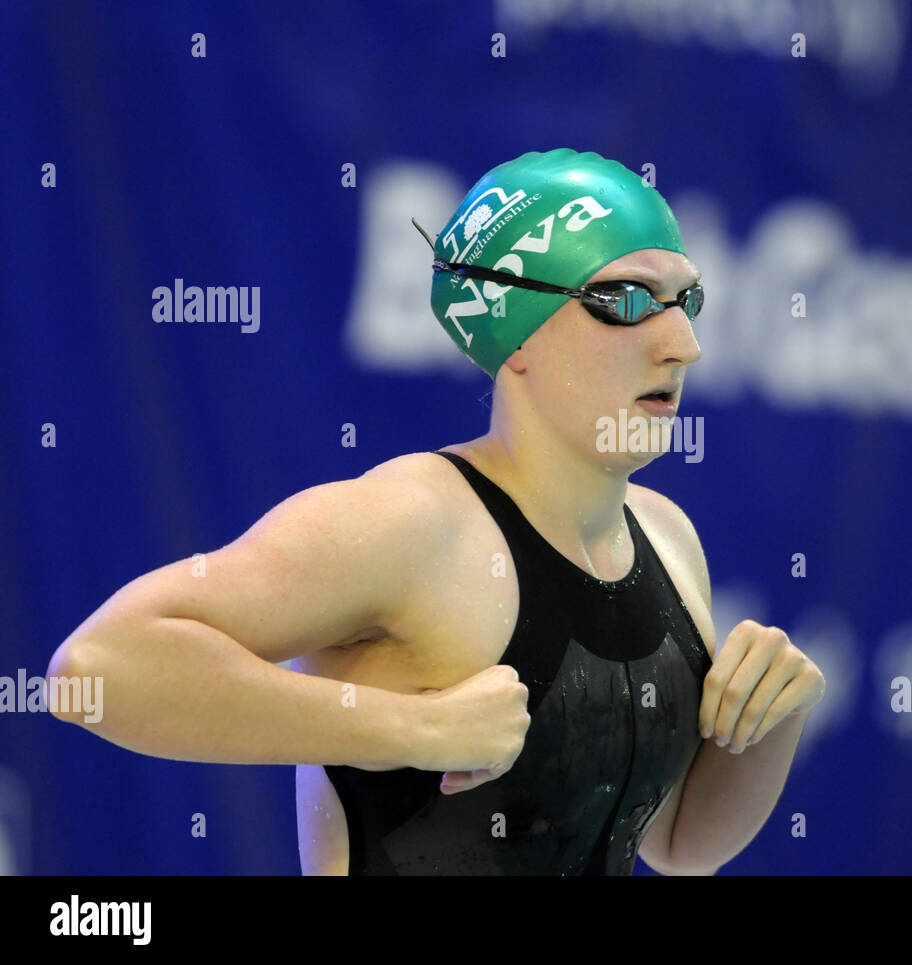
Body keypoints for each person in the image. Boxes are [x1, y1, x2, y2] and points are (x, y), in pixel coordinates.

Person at [47, 148, 826, 875]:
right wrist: (409, 732)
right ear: (515, 333)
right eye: (626, 300)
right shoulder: (411, 523)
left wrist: (768, 723)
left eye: (684, 298)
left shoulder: (666, 536)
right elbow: (97, 670)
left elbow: (680, 842)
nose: (683, 343)